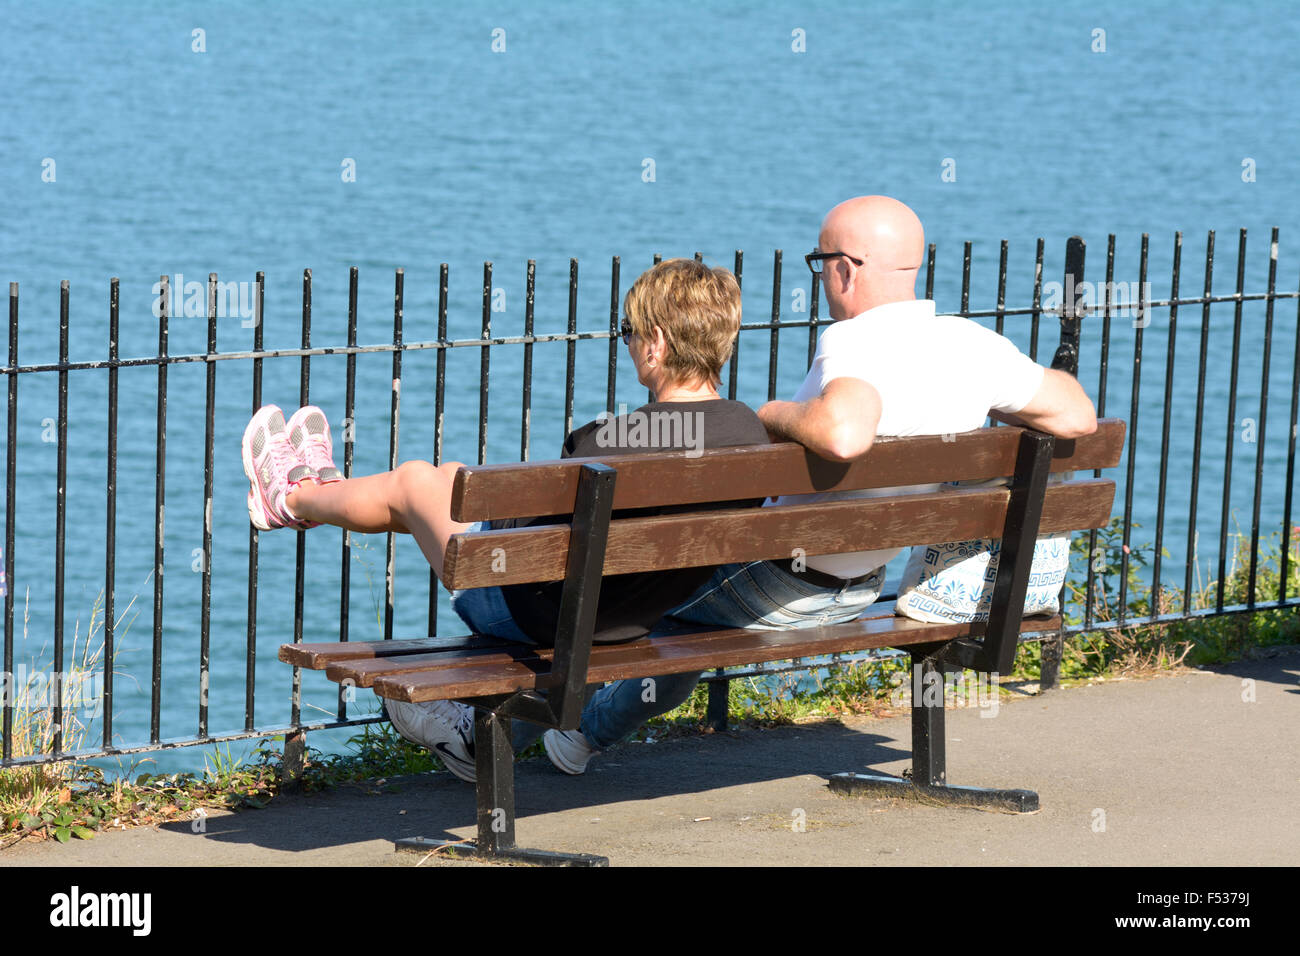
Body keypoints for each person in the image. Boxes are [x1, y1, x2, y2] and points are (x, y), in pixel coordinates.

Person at [539, 195, 1100, 775]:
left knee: (651, 588)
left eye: (819, 261)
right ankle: (582, 731)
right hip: (860, 586)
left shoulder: (854, 340)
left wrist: (775, 412)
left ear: (844, 267)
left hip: (773, 590)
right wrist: (986, 403)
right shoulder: (975, 347)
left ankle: (570, 729)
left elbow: (844, 434)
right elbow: (1078, 417)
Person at [240, 257, 768, 780]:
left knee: (415, 480)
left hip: (530, 611)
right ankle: (332, 488)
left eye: (627, 332)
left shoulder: (608, 441)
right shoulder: (752, 438)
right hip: (638, 615)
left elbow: (541, 532)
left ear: (655, 343)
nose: (627, 344)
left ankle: (292, 498)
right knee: (448, 480)